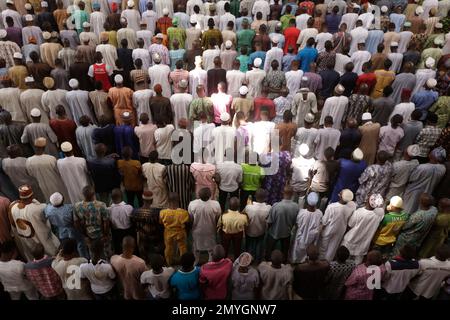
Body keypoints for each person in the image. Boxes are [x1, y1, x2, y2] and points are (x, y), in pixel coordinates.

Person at [341, 194, 385, 264]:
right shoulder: (380, 213)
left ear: (368, 201)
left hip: (351, 241)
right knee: (356, 264)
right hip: (363, 245)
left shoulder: (359, 212)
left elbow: (350, 224)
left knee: (344, 261)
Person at [74, 185, 112, 260]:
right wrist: (105, 235)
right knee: (106, 253)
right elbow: (106, 222)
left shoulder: (77, 206)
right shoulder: (101, 205)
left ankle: (95, 267)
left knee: (93, 253)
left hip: (89, 235)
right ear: (93, 194)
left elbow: (76, 223)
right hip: (101, 235)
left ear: (83, 194)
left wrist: (85, 236)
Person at [319, 189, 356, 261]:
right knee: (333, 247)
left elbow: (324, 221)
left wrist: (321, 229)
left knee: (323, 247)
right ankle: (328, 262)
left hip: (329, 229)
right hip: (341, 229)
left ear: (341, 197)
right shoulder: (353, 206)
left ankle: (321, 260)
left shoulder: (332, 207)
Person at [266, 186, 299, 261]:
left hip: (274, 232)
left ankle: (268, 261)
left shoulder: (276, 206)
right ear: (292, 194)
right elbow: (295, 222)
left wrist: (268, 230)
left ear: (282, 193)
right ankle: (283, 263)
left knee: (270, 249)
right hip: (287, 233)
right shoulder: (296, 207)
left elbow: (270, 221)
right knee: (285, 250)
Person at [188, 187, 221, 261]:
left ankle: (195, 261)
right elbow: (218, 218)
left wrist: (191, 227)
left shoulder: (192, 204)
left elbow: (191, 218)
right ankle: (210, 262)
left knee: (196, 248)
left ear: (199, 195)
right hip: (210, 230)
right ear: (210, 196)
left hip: (197, 231)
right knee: (211, 249)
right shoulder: (216, 204)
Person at [291, 193, 323, 264]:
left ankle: (295, 262)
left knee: (297, 251)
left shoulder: (302, 213)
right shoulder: (319, 213)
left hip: (300, 237)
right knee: (307, 252)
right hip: (312, 239)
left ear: (307, 201)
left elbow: (297, 224)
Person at [159, 193, 190, 266]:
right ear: (178, 200)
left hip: (168, 233)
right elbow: (187, 222)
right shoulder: (183, 212)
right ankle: (184, 263)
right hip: (180, 232)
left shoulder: (163, 212)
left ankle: (169, 263)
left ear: (168, 201)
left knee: (168, 248)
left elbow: (160, 222)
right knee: (182, 247)